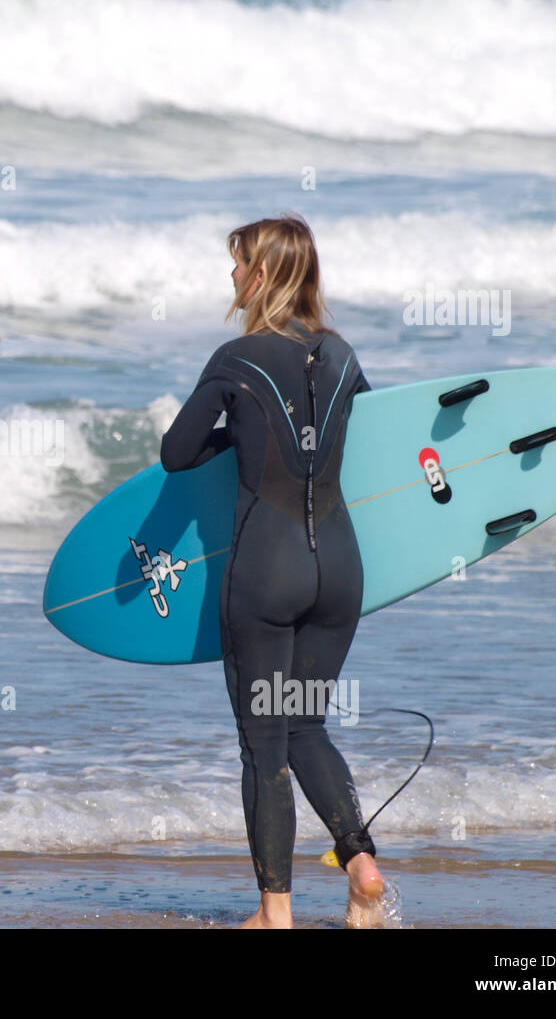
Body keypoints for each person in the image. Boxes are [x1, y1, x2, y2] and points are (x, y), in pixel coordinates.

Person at [160, 214, 384, 929]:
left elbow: (176, 452)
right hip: (340, 571)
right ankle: (361, 865)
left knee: (263, 743)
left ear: (261, 275)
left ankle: (274, 912)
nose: (231, 275)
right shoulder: (345, 353)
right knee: (305, 725)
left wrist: (239, 428)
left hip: (266, 570)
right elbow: (372, 429)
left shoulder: (237, 358)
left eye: (238, 263)